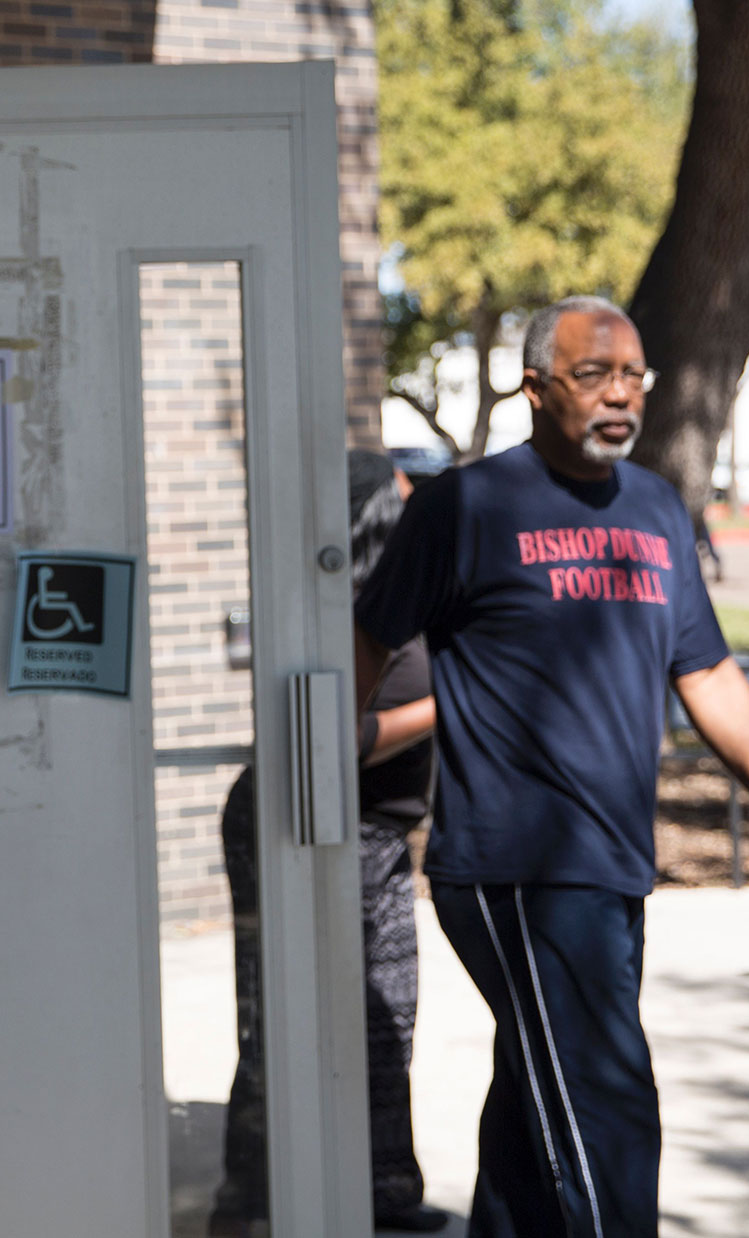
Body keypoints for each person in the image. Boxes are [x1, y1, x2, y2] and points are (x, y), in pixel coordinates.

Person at [353, 295, 749, 1238]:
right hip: (514, 867)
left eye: (633, 377)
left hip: (613, 862)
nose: (620, 396)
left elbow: (705, 670)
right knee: (607, 1102)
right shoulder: (467, 504)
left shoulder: (658, 507)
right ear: (536, 388)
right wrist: (331, 764)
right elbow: (368, 639)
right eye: (593, 375)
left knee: (537, 1101)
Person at [207, 450, 447, 1235]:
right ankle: (251, 1197)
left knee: (387, 1015)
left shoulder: (404, 602)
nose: (420, 516)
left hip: (377, 833)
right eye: (406, 500)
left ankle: (381, 1188)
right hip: (297, 825)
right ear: (376, 515)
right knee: (281, 1015)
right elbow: (330, 742)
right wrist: (446, 704)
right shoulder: (333, 615)